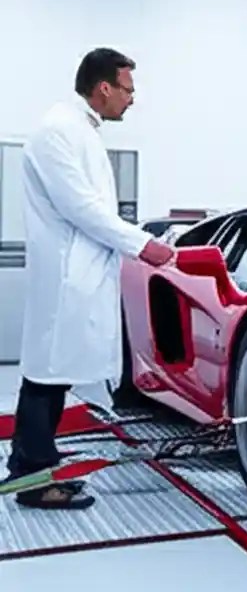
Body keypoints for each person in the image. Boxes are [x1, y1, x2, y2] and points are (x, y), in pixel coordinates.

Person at [3, 48, 176, 510]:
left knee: (52, 378)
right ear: (104, 87)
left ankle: (37, 466)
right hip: (66, 278)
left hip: (77, 274)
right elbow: (82, 208)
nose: (131, 100)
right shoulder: (59, 130)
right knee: (45, 379)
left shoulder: (78, 129)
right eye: (128, 89)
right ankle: (32, 480)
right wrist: (143, 244)